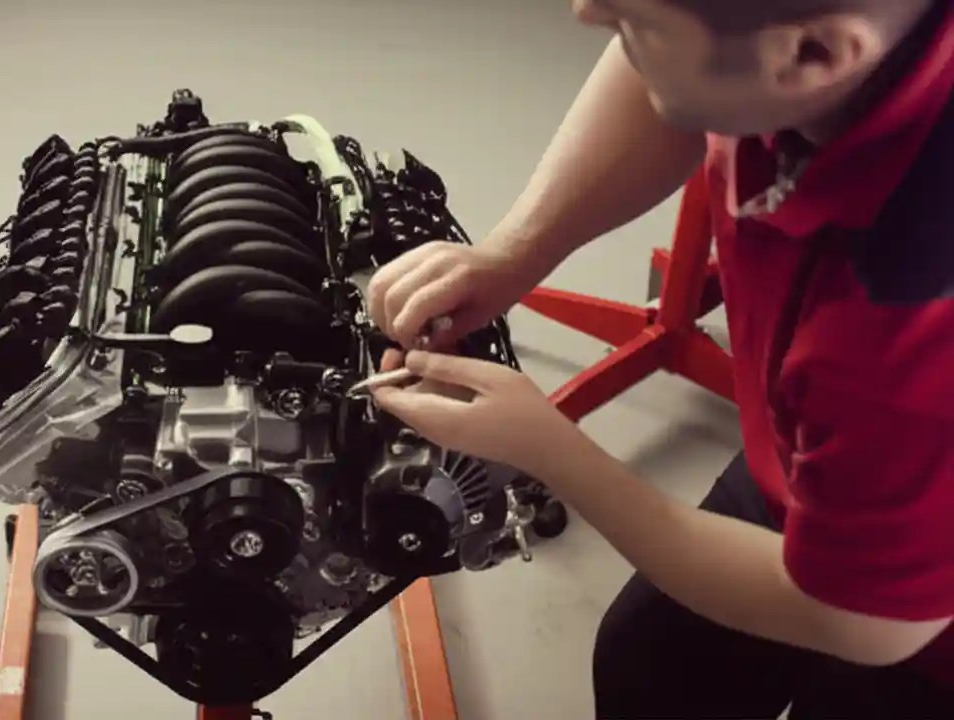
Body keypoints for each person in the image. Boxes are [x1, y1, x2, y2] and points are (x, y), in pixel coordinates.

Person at [365, 0, 954, 717]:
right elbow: (675, 79)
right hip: (825, 456)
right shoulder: (807, 50)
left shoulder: (903, 323)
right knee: (649, 668)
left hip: (914, 628)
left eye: (633, 20)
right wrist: (516, 252)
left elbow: (861, 624)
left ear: (813, 58)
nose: (582, 11)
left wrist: (550, 450)